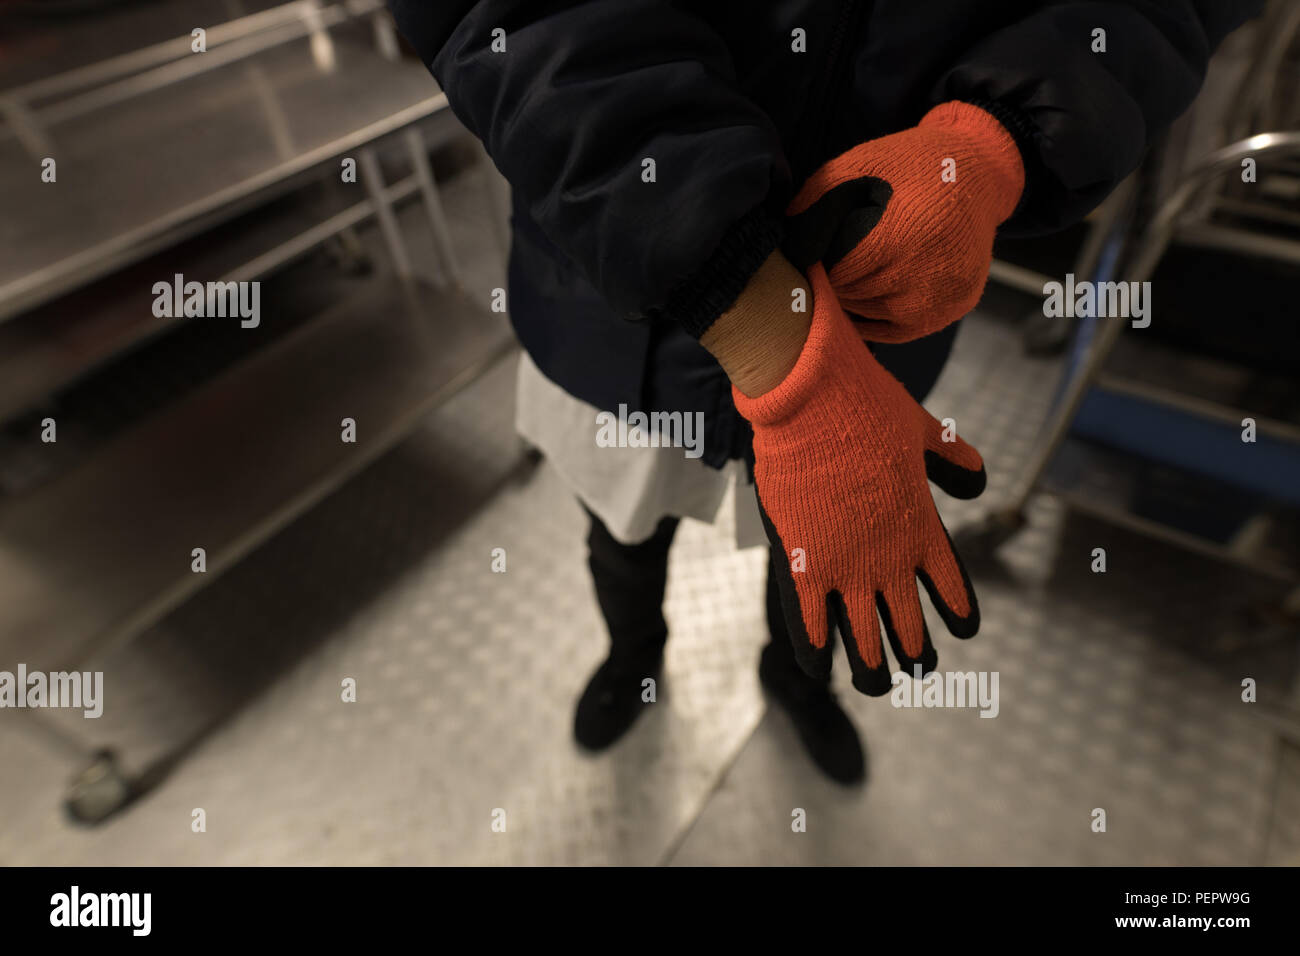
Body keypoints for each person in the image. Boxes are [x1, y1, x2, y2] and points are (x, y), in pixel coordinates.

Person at [387, 0, 1260, 783]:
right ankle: (635, 658)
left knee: (823, 547)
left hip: (888, 274)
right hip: (615, 286)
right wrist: (750, 307)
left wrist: (996, 139)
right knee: (620, 520)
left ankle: (794, 681)